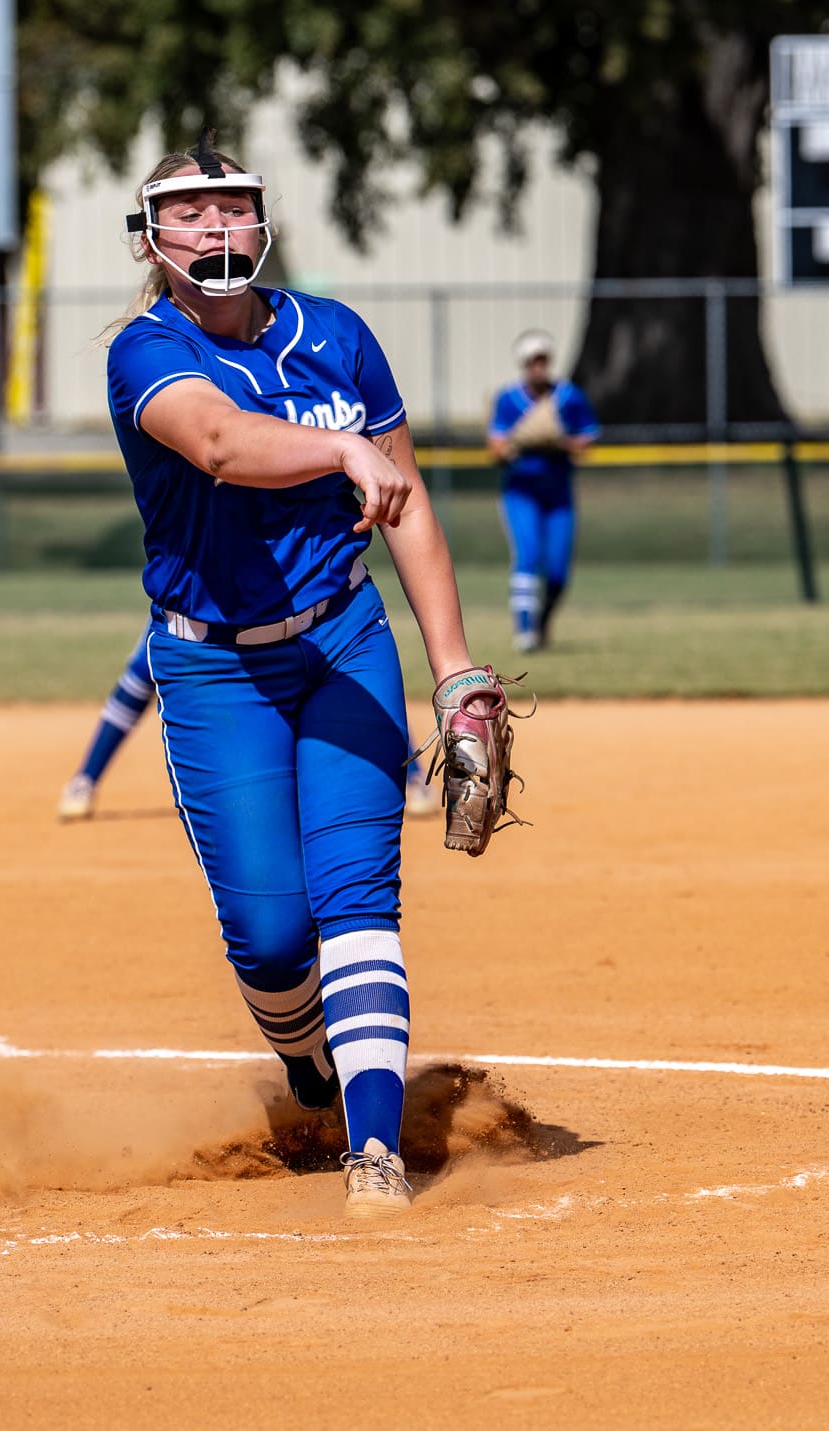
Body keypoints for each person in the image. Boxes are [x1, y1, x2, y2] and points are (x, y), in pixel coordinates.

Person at [104, 135, 505, 1217]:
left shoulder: (335, 335)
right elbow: (225, 443)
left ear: (262, 220)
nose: (216, 226)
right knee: (273, 936)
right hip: (213, 666)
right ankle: (308, 1070)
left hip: (342, 642)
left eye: (233, 206)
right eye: (188, 212)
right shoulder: (145, 351)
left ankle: (374, 1152)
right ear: (151, 238)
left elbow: (406, 499)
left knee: (356, 895)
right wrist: (339, 452)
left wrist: (454, 664)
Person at [56, 629, 438, 822]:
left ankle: (413, 774)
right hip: (201, 579)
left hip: (289, 577)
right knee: (144, 670)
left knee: (338, 668)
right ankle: (86, 779)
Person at [486, 331, 600, 651]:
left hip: (558, 494)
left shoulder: (568, 397)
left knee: (557, 573)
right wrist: (519, 442)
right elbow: (496, 447)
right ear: (523, 365)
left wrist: (559, 440)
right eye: (531, 362)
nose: (538, 368)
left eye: (542, 361)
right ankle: (524, 632)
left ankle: (542, 622)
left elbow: (586, 440)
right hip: (521, 492)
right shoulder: (509, 399)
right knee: (528, 555)